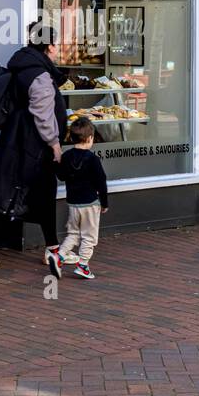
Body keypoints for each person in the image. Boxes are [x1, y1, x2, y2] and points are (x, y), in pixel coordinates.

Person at [0, 22, 69, 270]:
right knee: (9, 196)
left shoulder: (24, 64)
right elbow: (43, 113)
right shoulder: (39, 74)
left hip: (22, 141)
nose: (58, 48)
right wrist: (55, 144)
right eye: (56, 43)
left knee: (43, 195)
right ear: (49, 46)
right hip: (30, 147)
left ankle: (53, 250)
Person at [47, 117, 109, 281]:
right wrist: (104, 202)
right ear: (90, 139)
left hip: (73, 203)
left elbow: (61, 175)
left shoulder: (66, 157)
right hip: (90, 203)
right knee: (89, 236)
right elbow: (101, 181)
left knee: (73, 234)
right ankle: (83, 266)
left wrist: (56, 163)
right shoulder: (92, 159)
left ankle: (58, 256)